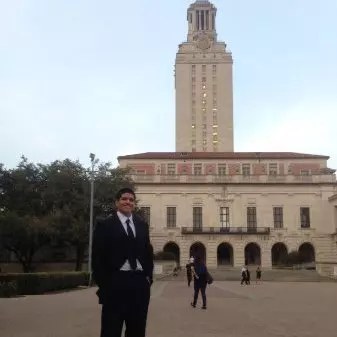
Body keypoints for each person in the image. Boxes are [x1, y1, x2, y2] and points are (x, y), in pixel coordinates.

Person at [92, 187, 154, 337]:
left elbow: (148, 253)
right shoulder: (105, 225)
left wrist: (148, 278)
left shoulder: (142, 225)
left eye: (131, 200)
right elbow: (97, 258)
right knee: (111, 330)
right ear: (117, 202)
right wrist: (105, 285)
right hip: (116, 283)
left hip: (139, 284)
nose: (128, 202)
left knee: (137, 330)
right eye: (124, 199)